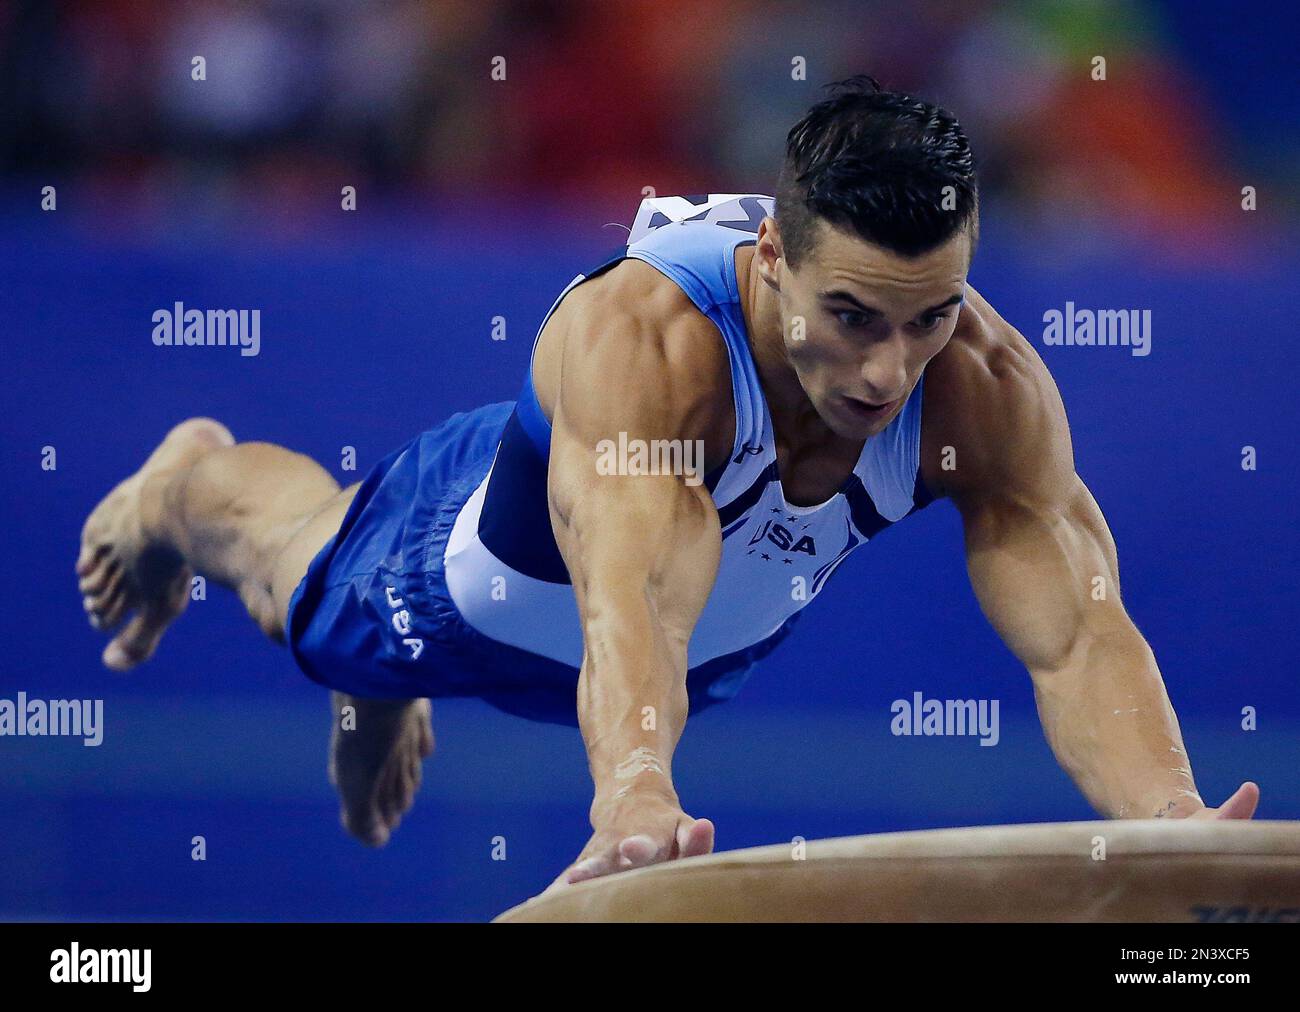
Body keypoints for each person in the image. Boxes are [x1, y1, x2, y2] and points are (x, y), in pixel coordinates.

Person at [76, 76, 1258, 892]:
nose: (889, 370)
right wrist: (635, 790)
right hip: (497, 584)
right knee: (300, 597)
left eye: (929, 318)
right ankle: (181, 481)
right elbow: (631, 601)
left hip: (705, 656)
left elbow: (1078, 637)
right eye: (849, 317)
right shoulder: (649, 346)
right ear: (769, 261)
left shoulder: (985, 388)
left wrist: (1167, 814)